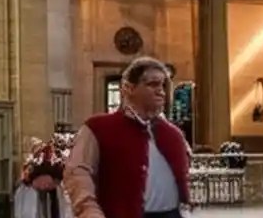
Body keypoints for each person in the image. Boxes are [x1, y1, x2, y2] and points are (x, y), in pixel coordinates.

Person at [66, 57, 191, 218]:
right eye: (152, 84)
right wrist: (89, 210)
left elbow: (182, 178)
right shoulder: (98, 128)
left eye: (163, 85)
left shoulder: (173, 134)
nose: (160, 91)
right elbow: (78, 172)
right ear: (129, 88)